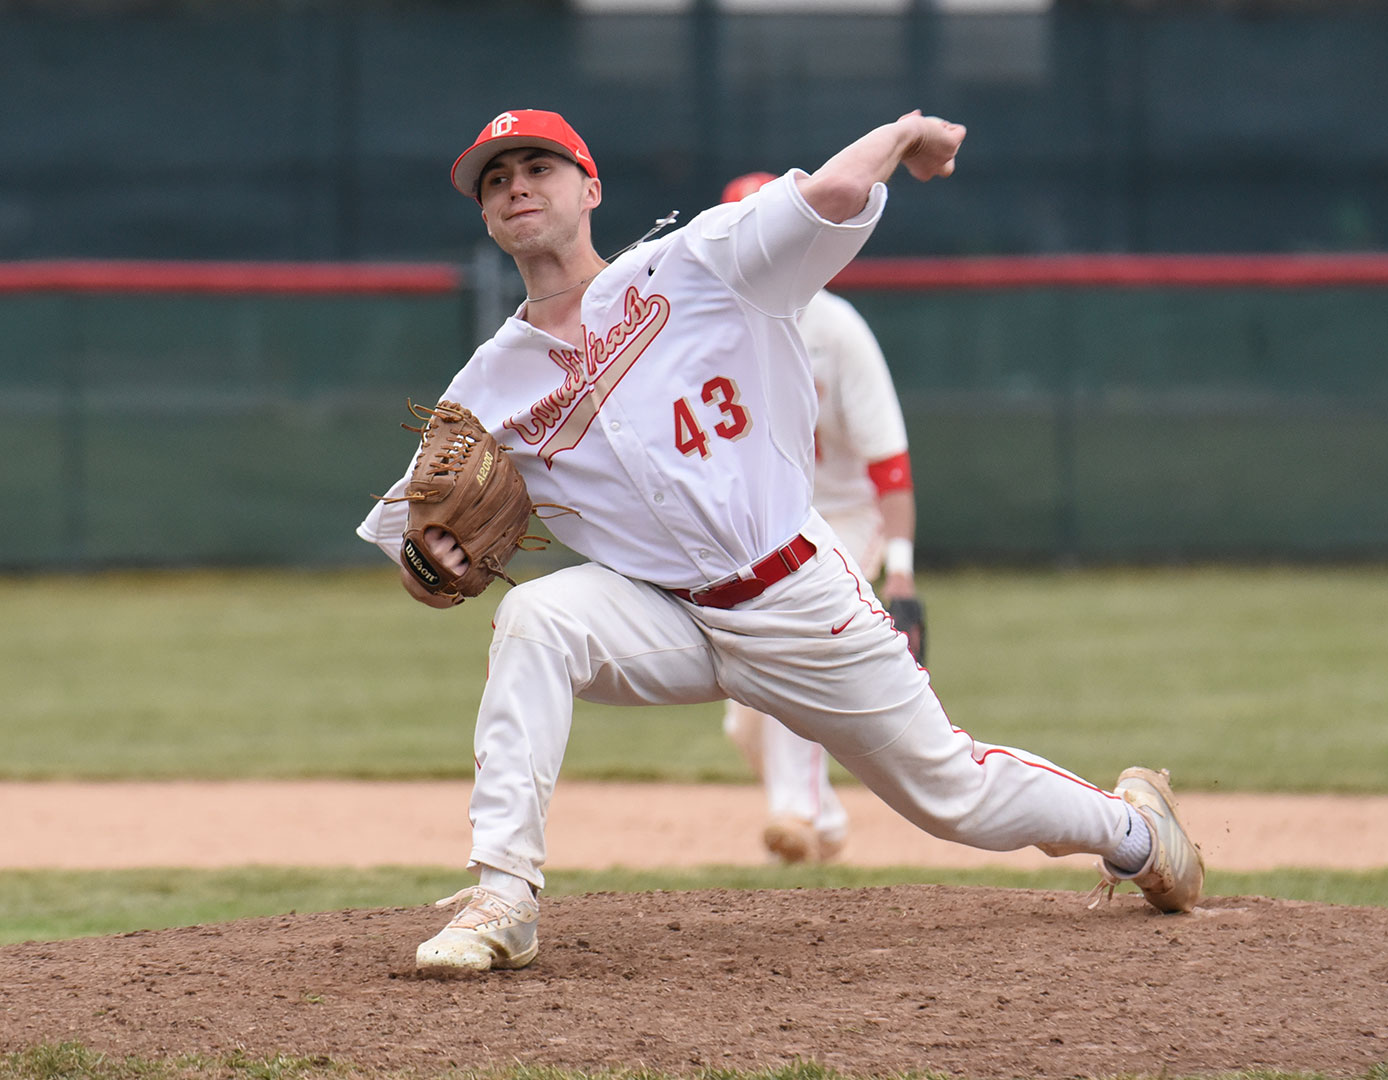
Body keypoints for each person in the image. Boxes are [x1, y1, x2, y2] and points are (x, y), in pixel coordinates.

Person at [358, 108, 1203, 974]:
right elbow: (417, 558)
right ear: (486, 214)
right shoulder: (487, 387)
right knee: (535, 618)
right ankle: (504, 892)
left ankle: (1135, 830)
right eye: (496, 181)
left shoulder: (699, 263)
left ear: (591, 188)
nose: (516, 188)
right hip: (666, 616)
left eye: (538, 167)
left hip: (797, 598)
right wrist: (437, 569)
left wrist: (905, 133)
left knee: (954, 796)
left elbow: (835, 193)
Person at [714, 171, 919, 866]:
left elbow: (890, 466)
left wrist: (902, 574)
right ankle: (824, 822)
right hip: (772, 521)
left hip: (848, 516)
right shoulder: (714, 329)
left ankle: (795, 813)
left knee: (790, 647)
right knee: (744, 722)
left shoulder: (836, 331)